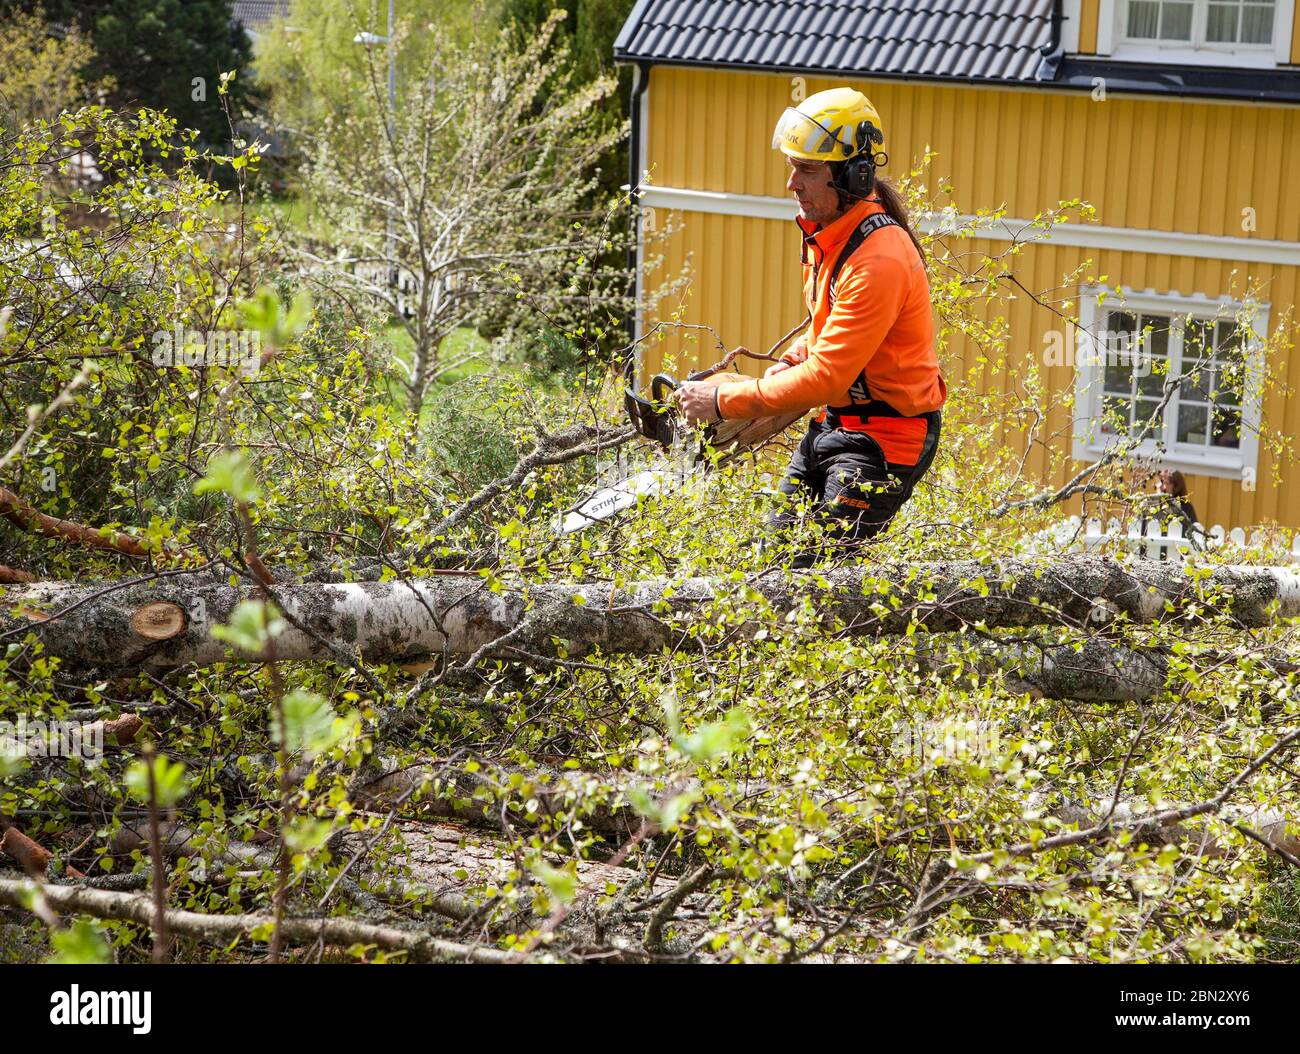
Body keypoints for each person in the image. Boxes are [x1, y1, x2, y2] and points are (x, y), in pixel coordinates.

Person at [674, 87, 945, 565]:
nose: (791, 183)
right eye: (792, 166)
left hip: (884, 442)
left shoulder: (879, 258)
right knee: (769, 564)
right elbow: (827, 331)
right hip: (838, 424)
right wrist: (789, 362)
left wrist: (720, 400)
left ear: (853, 175)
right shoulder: (830, 237)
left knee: (809, 583)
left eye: (807, 169)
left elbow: (828, 377)